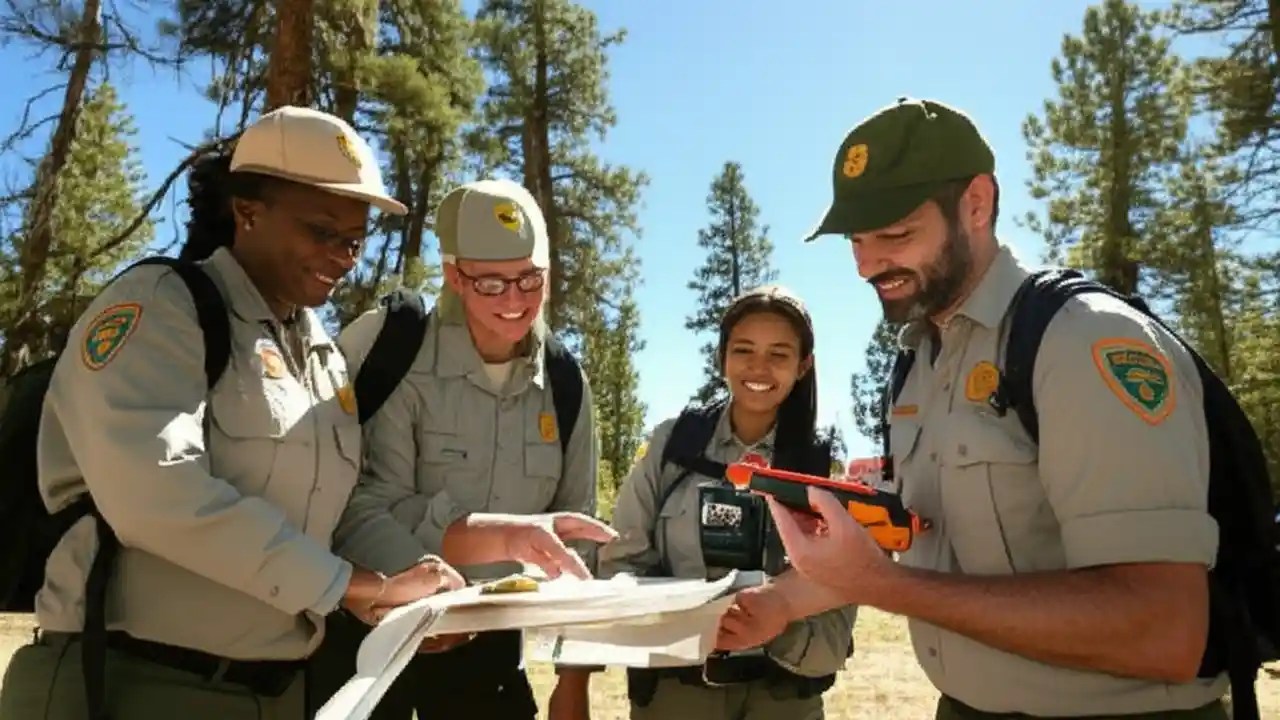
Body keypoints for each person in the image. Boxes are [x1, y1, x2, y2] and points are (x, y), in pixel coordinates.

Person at [0, 106, 607, 720]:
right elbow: (157, 492)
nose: (343, 257)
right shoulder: (164, 307)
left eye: (353, 240)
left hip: (275, 695)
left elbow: (339, 515)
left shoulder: (320, 356)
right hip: (128, 681)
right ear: (248, 212)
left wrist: (432, 574)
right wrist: (352, 586)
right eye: (322, 232)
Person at [717, 96, 1229, 719]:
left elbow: (1164, 628)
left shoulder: (1080, 341)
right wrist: (779, 604)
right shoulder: (918, 366)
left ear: (977, 205)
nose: (866, 265)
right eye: (856, 239)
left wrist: (886, 588)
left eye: (895, 233)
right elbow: (920, 546)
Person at [310, 178, 604, 720]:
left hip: (487, 659)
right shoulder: (390, 347)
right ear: (453, 274)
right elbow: (352, 501)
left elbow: (577, 537)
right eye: (491, 283)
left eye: (529, 280)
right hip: (368, 646)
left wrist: (573, 680)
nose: (514, 301)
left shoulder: (565, 383)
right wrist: (421, 590)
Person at [601, 284, 857, 720]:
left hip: (782, 699)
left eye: (779, 353)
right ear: (722, 358)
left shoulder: (823, 468)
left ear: (803, 365)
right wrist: (680, 621)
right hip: (674, 696)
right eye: (743, 350)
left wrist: (774, 626)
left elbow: (842, 600)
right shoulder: (672, 446)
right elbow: (620, 561)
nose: (759, 367)